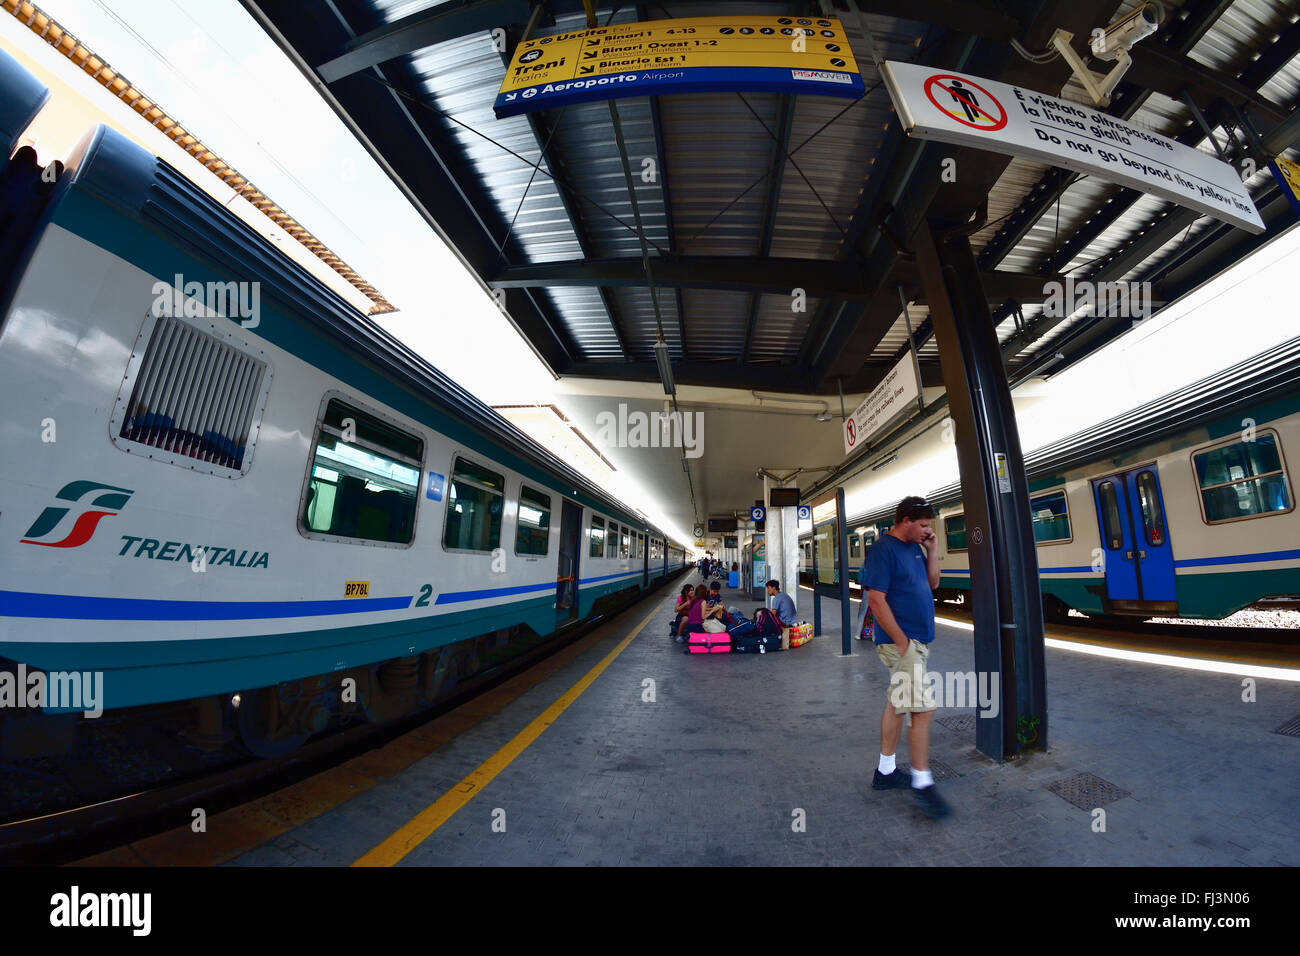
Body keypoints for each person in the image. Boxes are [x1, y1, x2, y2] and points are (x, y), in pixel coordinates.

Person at [862, 496, 948, 819]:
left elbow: (933, 583)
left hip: (917, 642)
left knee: (898, 703)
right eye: (924, 525)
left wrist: (931, 551)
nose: (928, 530)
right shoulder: (884, 549)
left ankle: (885, 772)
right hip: (902, 643)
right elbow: (875, 599)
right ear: (906, 520)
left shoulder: (915, 547)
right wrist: (901, 642)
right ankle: (923, 783)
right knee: (923, 708)